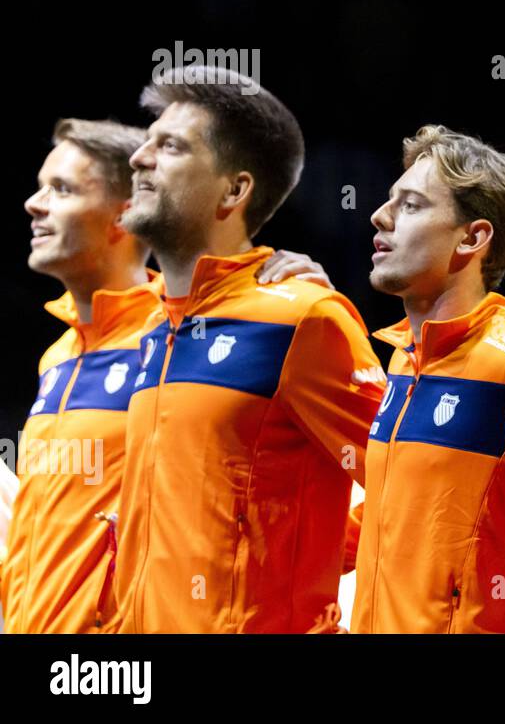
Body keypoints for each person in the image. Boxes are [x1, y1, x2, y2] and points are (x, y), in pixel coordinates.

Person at [1, 118, 327, 634]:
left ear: (126, 212)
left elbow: (365, 485)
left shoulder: (188, 338)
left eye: (61, 189)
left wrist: (272, 580)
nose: (33, 204)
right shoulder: (57, 357)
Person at [108, 67, 383, 633]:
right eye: (147, 142)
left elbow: (412, 476)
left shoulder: (300, 317)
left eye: (170, 146)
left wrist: (306, 555)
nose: (138, 158)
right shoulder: (155, 330)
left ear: (234, 191)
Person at [348, 125, 505, 633]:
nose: (380, 216)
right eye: (390, 200)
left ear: (473, 237)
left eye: (411, 205)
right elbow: (395, 511)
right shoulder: (404, 360)